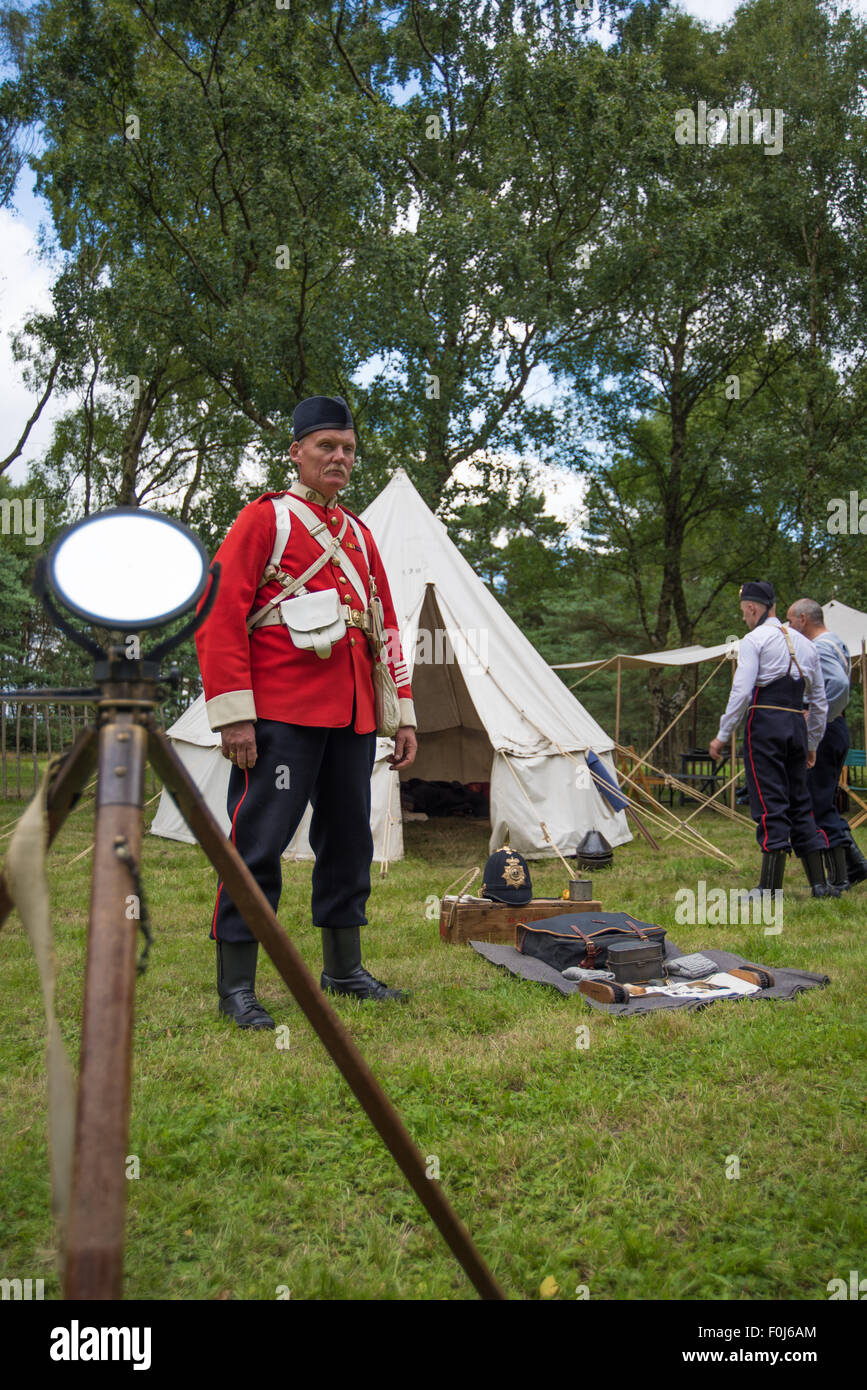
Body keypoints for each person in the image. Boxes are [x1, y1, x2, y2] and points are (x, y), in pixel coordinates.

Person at [195, 395, 418, 1028]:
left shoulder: (361, 534)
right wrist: (234, 714)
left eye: (348, 449)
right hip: (280, 716)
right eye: (327, 447)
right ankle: (237, 986)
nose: (340, 459)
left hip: (350, 717)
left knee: (348, 841)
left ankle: (343, 969)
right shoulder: (265, 519)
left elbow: (386, 628)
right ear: (297, 452)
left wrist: (402, 713)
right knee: (258, 845)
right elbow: (217, 614)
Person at [708, 580, 838, 898]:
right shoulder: (806, 643)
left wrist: (723, 735)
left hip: (764, 724)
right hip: (796, 725)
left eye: (743, 612)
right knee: (800, 801)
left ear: (753, 608)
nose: (743, 618)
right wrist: (811, 743)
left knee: (770, 801)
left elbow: (741, 692)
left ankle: (769, 888)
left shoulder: (754, 640)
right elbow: (819, 702)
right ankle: (820, 885)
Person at [786, 597, 867, 891]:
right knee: (821, 800)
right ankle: (854, 866)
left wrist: (816, 718)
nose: (790, 627)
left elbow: (840, 686)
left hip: (827, 730)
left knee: (818, 803)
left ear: (803, 619)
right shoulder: (835, 643)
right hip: (833, 728)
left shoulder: (820, 647)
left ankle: (844, 875)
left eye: (791, 621)